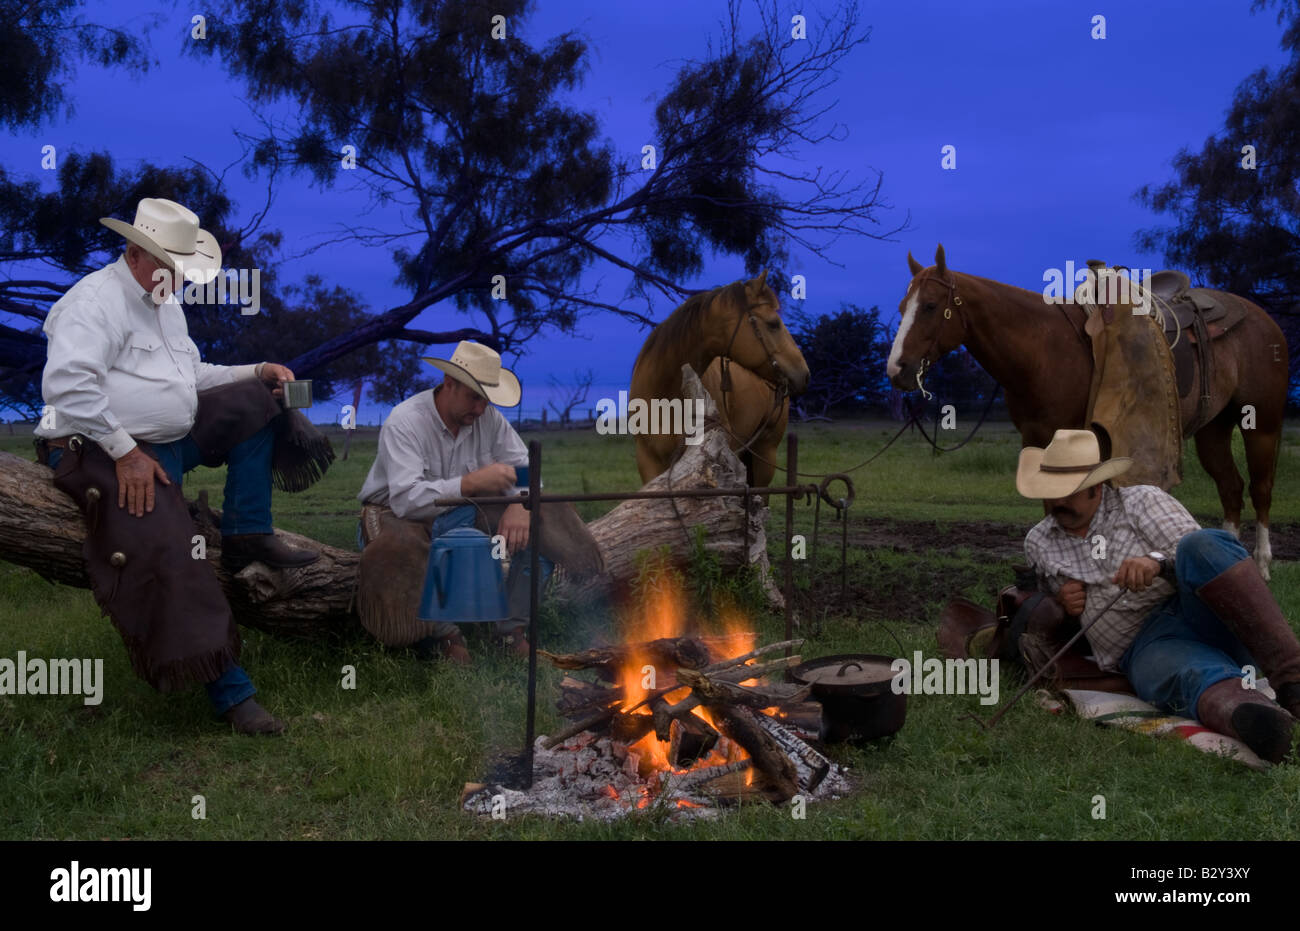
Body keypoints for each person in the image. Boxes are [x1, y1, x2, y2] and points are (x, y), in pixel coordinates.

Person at [36, 197, 320, 735]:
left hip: (168, 440)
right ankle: (231, 692)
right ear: (135, 251)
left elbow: (192, 374)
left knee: (259, 400)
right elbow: (66, 388)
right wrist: (125, 453)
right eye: (170, 265)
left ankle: (247, 532)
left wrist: (256, 369)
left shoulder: (166, 300)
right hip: (97, 446)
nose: (178, 278)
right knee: (174, 546)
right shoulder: (93, 301)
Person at [1018, 429, 1300, 763]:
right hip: (1145, 644)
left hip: (1203, 611)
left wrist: (1156, 562)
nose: (1056, 502)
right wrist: (1062, 602)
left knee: (1202, 544)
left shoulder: (1140, 501)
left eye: (1066, 492)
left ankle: (1294, 683)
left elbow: (1200, 555)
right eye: (1050, 493)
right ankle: (1263, 723)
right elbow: (1042, 597)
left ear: (1096, 486)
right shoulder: (1039, 541)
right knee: (1187, 673)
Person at [357, 341, 545, 664]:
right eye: (474, 397)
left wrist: (520, 503)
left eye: (486, 400)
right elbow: (406, 501)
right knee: (407, 549)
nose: (481, 409)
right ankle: (445, 635)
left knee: (541, 530)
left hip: (461, 512)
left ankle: (510, 632)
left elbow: (530, 472)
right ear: (449, 383)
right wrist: (471, 483)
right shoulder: (405, 421)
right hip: (396, 517)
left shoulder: (489, 419)